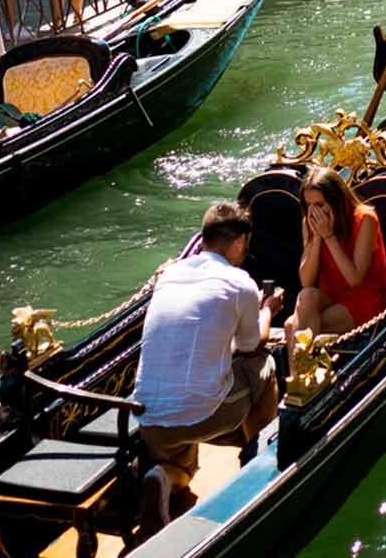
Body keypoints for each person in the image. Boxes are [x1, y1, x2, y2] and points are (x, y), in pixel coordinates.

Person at [134, 201, 284, 538]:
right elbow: (251, 345)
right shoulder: (239, 281)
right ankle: (256, 463)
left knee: (184, 464)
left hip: (149, 420)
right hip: (206, 414)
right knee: (265, 366)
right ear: (238, 243)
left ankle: (162, 477)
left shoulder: (170, 273)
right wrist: (268, 310)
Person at [284, 166, 386, 336]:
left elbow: (355, 279)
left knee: (291, 326)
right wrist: (317, 237)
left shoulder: (365, 219)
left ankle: (302, 363)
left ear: (336, 201)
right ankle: (306, 362)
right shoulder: (309, 222)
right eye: (309, 205)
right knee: (307, 295)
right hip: (330, 296)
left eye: (320, 205)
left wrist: (329, 237)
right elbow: (307, 281)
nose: (314, 212)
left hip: (363, 299)